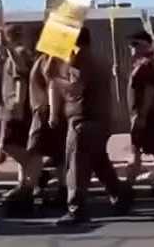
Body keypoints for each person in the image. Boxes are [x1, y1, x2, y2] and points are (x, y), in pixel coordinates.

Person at [54, 28, 133, 226]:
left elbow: (76, 88)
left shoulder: (81, 60)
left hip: (83, 120)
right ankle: (120, 195)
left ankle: (76, 209)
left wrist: (55, 78)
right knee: (99, 162)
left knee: (76, 166)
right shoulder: (98, 59)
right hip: (100, 119)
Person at [0, 24, 38, 213]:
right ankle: (25, 187)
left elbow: (21, 77)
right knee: (19, 145)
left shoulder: (19, 53)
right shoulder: (15, 54)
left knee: (7, 145)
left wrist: (18, 105)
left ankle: (34, 170)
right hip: (16, 107)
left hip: (16, 109)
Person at [125, 31, 154, 192]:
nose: (131, 48)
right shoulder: (144, 65)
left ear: (145, 45)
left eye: (135, 44)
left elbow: (150, 92)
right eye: (131, 45)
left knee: (137, 150)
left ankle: (127, 185)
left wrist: (142, 116)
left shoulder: (146, 65)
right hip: (147, 116)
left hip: (145, 116)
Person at [27, 51, 68, 208]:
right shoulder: (48, 59)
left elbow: (52, 85)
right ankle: (61, 188)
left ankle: (31, 187)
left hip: (45, 110)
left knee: (36, 150)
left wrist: (53, 113)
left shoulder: (50, 60)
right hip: (48, 110)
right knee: (57, 152)